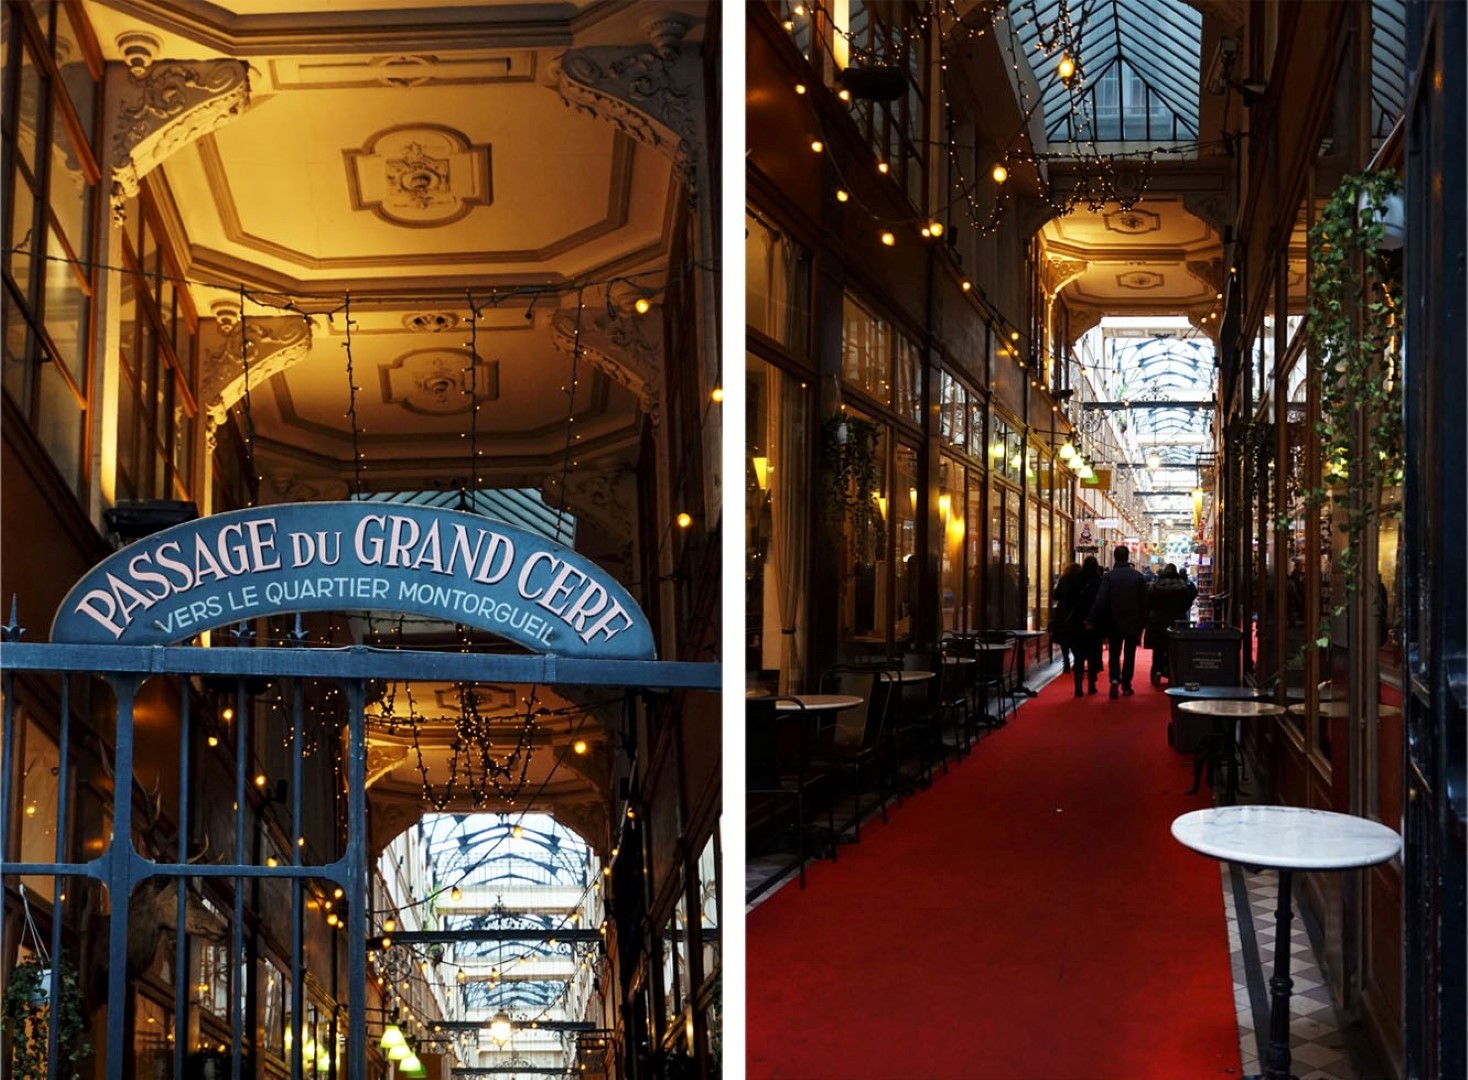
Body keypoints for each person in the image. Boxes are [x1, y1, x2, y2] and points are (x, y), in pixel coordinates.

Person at [1087, 544, 1149, 697]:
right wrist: (1144, 621)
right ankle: (1127, 685)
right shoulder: (1138, 577)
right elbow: (1144, 601)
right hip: (1133, 621)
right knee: (1130, 654)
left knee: (1114, 653)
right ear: (1128, 557)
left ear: (1115, 557)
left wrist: (1091, 618)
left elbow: (1101, 600)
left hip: (1113, 620)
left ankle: (1114, 679)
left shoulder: (1109, 577)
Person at [1145, 562, 1198, 685]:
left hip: (1158, 621)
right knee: (1174, 650)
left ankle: (1157, 670)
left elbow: (1148, 603)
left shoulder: (1155, 585)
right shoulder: (1182, 585)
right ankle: (1172, 674)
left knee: (1158, 649)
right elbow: (1188, 602)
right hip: (1176, 621)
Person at [1066, 555, 1105, 696]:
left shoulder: (1075, 580)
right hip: (1094, 623)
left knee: (1079, 655)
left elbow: (1068, 600)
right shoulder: (1099, 582)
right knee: (1093, 654)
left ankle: (1078, 685)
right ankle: (1091, 684)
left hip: (1077, 622)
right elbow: (1101, 603)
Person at [1050, 563, 1082, 676]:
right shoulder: (1080, 581)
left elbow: (1056, 595)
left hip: (1063, 613)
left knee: (1064, 639)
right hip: (1076, 613)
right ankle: (1077, 661)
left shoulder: (1064, 580)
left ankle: (1066, 662)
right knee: (1075, 639)